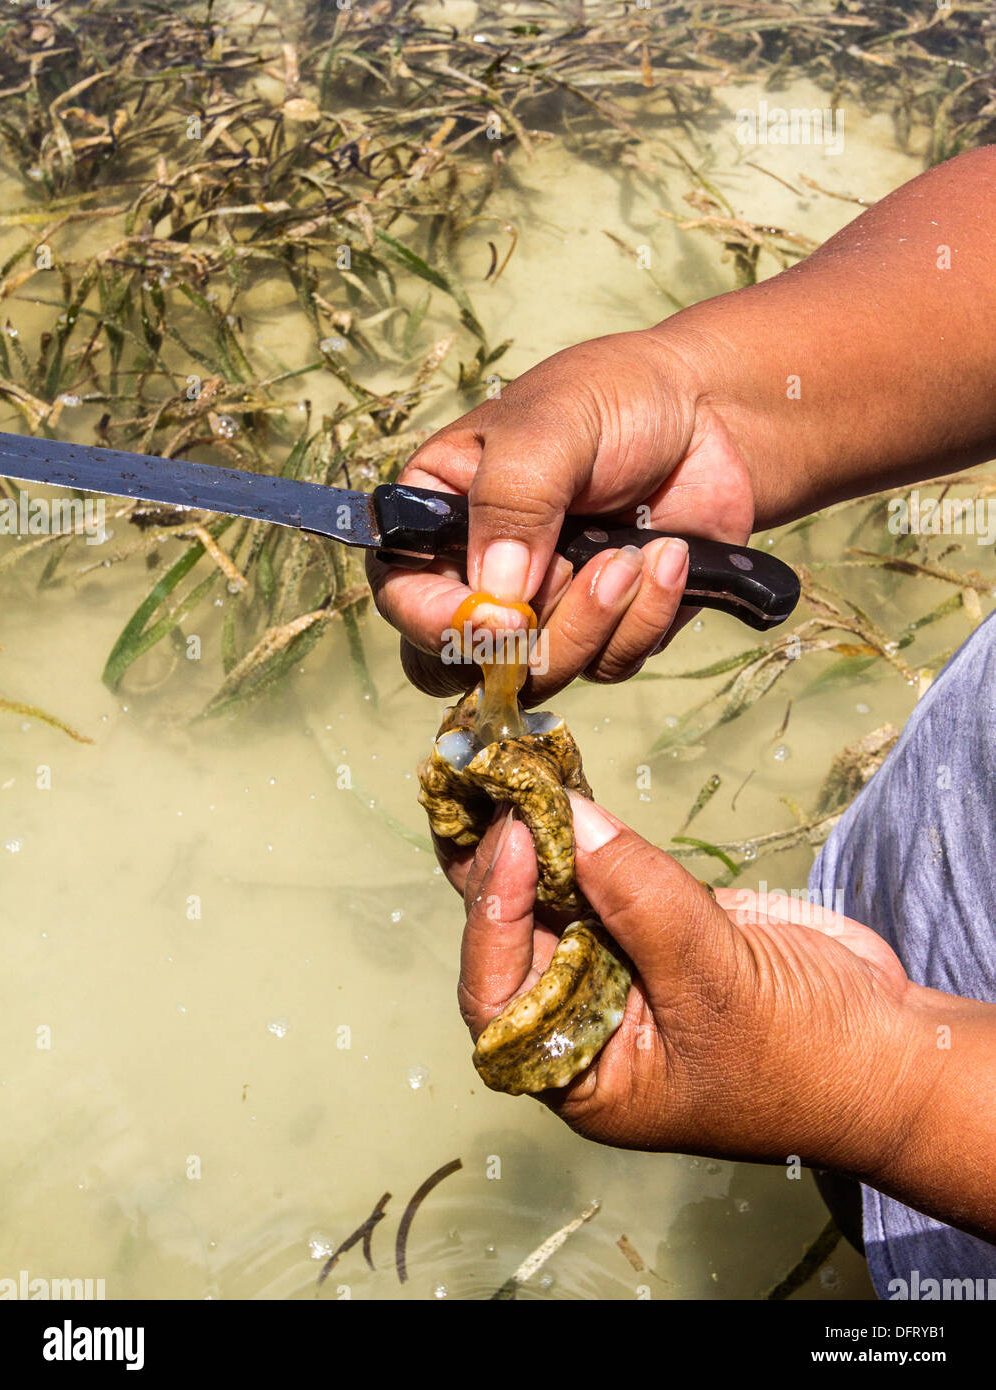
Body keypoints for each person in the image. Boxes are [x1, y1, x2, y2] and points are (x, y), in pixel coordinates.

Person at [367, 146, 996, 1296]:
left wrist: (900, 1091)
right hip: (860, 961)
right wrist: (714, 399)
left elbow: (884, 1081)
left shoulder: (881, 1074)